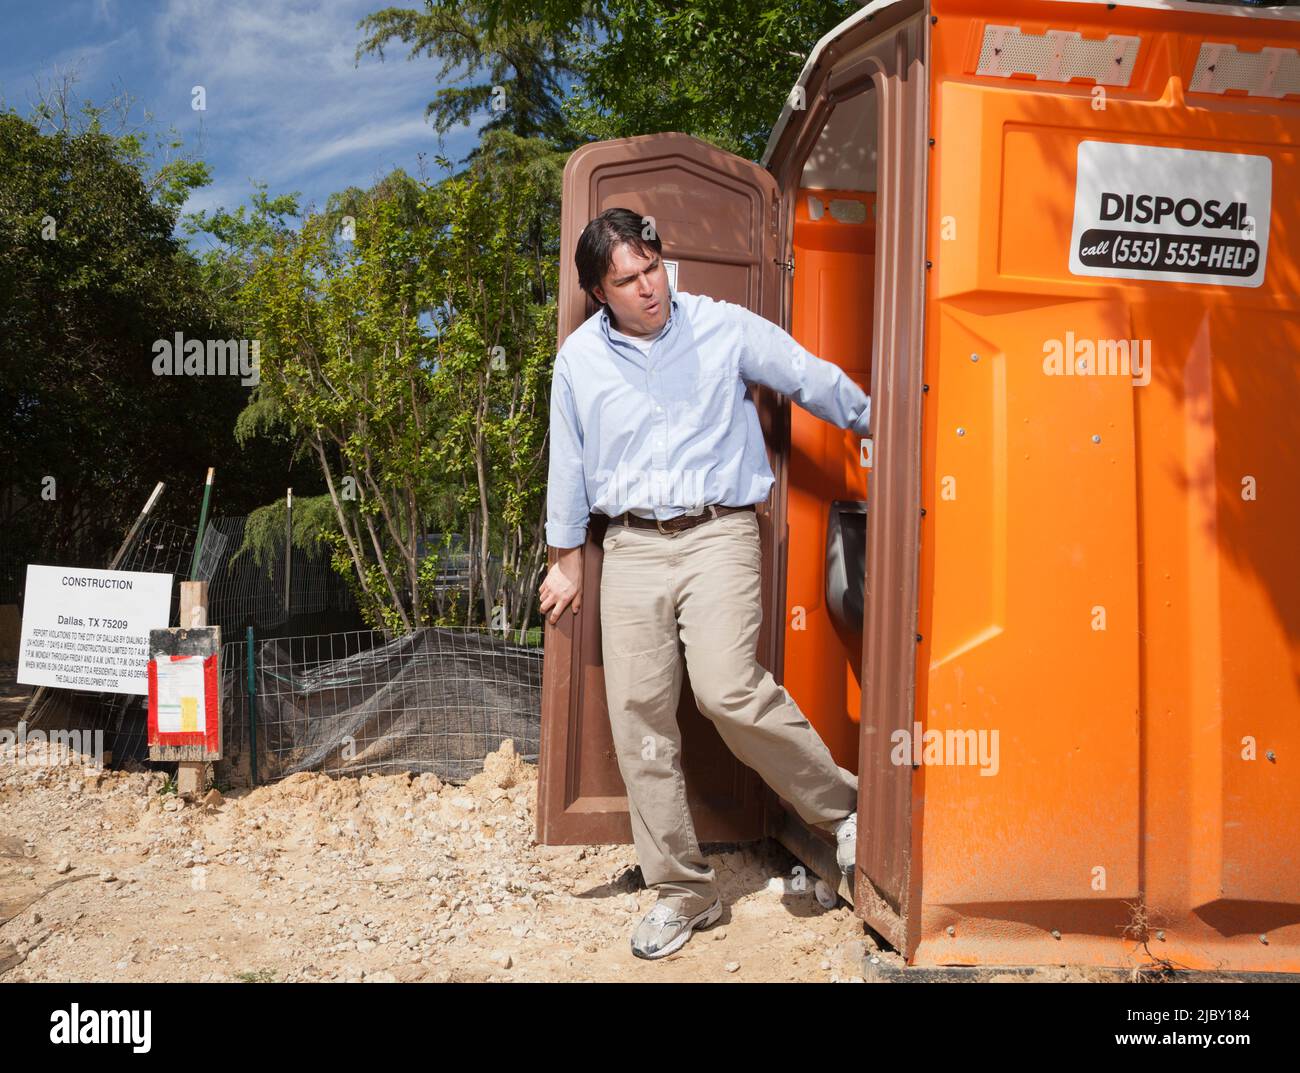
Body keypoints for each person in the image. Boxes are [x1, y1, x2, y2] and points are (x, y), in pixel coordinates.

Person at [538, 206, 868, 960]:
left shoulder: (722, 325)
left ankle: (842, 809)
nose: (649, 287)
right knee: (637, 714)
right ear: (600, 290)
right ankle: (684, 889)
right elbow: (570, 461)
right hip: (629, 544)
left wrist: (880, 419)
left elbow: (807, 375)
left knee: (726, 688)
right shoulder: (580, 361)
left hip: (720, 529)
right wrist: (567, 555)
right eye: (627, 280)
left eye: (652, 267)